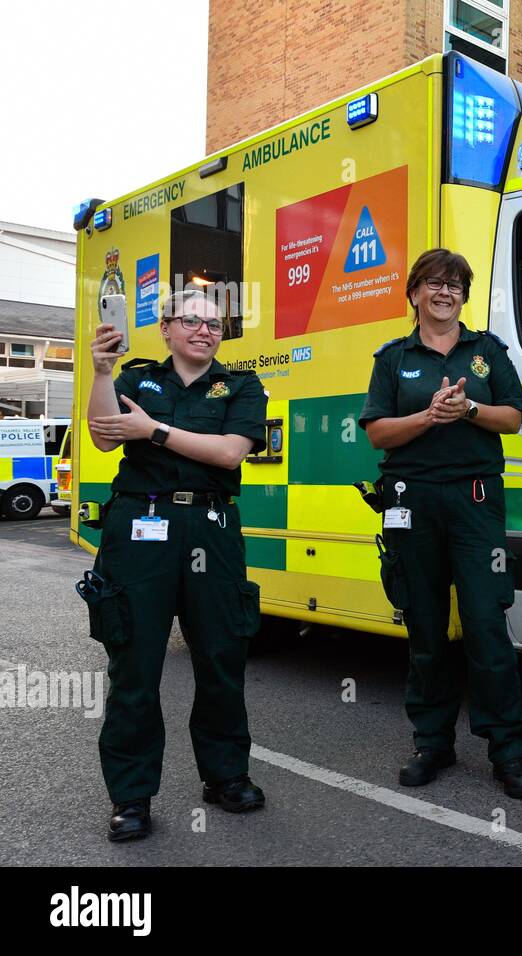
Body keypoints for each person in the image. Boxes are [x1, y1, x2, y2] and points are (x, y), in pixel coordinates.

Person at [83, 289, 269, 842]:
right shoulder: (136, 379)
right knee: (135, 668)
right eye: (191, 319)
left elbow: (231, 453)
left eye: (214, 323)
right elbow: (99, 436)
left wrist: (154, 432)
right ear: (166, 328)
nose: (204, 329)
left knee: (220, 659)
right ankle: (131, 797)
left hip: (210, 530)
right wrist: (99, 372)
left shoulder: (241, 386)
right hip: (140, 529)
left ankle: (226, 776)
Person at [360, 249, 522, 799]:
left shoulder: (486, 351)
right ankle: (431, 742)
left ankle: (508, 750)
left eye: (456, 284)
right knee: (426, 627)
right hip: (411, 503)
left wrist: (467, 412)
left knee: (487, 624)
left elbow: (513, 416)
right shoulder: (393, 358)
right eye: (434, 283)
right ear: (414, 293)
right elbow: (377, 433)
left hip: (475, 500)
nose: (446, 292)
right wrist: (426, 416)